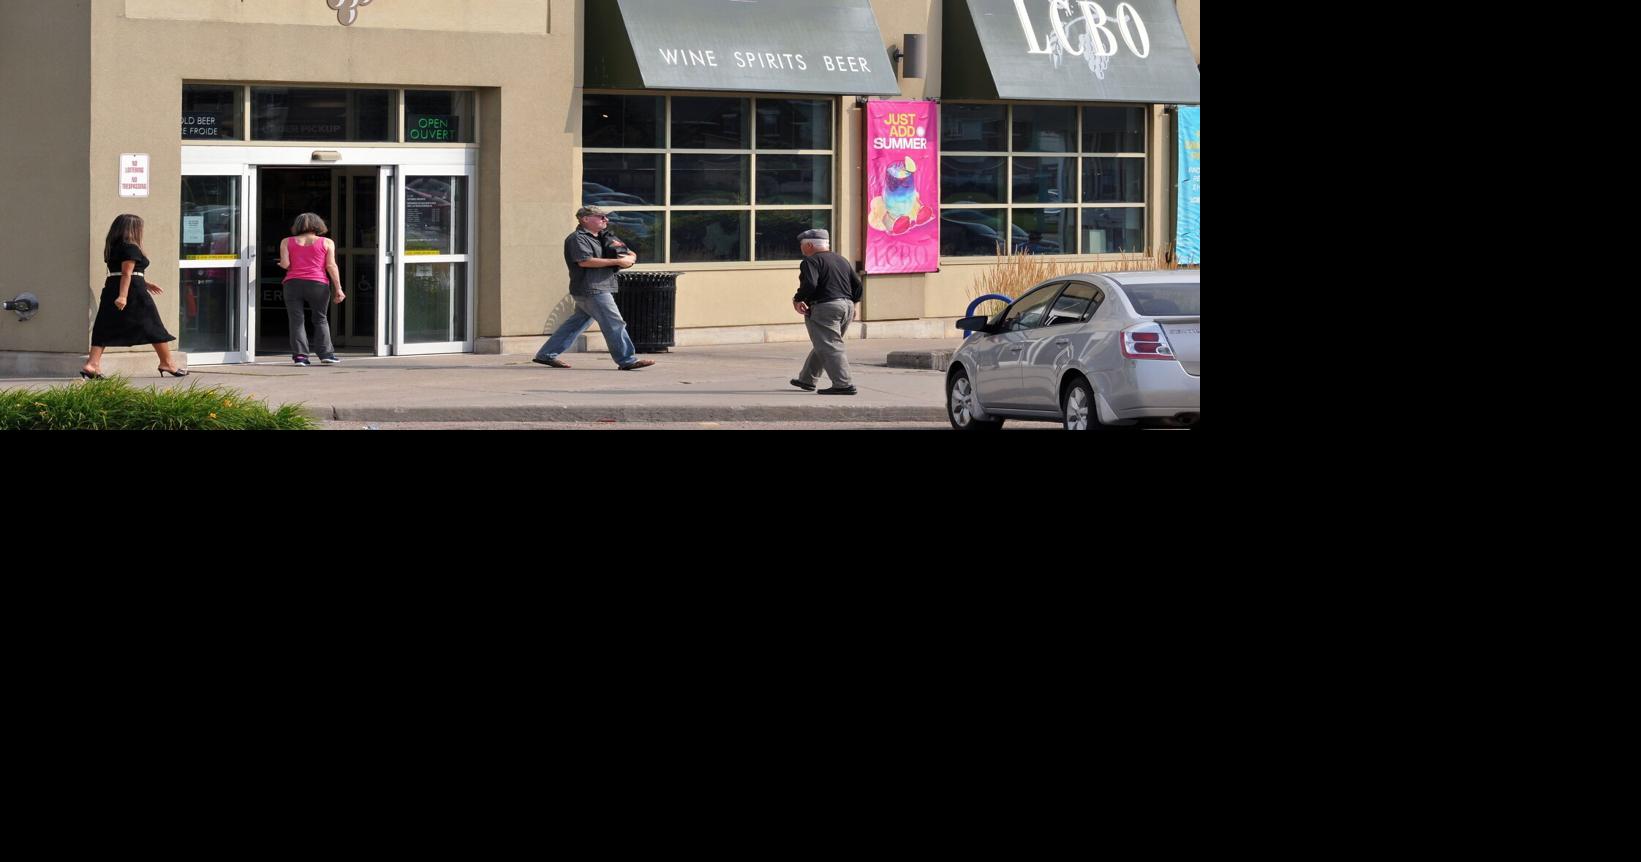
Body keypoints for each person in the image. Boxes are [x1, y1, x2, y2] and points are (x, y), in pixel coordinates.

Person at [532, 205, 655, 371]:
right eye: (601, 217)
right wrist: (618, 261)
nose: (606, 220)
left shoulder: (605, 236)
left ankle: (546, 354)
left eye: (605, 217)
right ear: (585, 219)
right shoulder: (577, 238)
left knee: (575, 325)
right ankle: (627, 360)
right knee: (614, 323)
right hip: (591, 289)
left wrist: (630, 257)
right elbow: (585, 261)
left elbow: (628, 252)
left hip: (601, 286)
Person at [83, 213, 189, 379]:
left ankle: (92, 364)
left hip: (114, 288)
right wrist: (123, 296)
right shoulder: (130, 247)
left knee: (104, 326)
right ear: (133, 229)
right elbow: (126, 273)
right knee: (153, 325)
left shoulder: (114, 246)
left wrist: (146, 283)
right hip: (132, 293)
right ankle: (167, 362)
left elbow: (122, 273)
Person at [789, 228, 863, 395]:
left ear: (809, 245)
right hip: (846, 306)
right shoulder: (841, 259)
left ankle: (844, 384)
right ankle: (807, 380)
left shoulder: (811, 261)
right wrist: (854, 305)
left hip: (825, 307)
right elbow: (857, 285)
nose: (802, 249)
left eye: (802, 245)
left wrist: (797, 299)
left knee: (829, 345)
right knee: (824, 343)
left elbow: (810, 285)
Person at [277, 212, 345, 366]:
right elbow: (331, 266)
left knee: (296, 321)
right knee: (320, 319)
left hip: (292, 284)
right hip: (318, 284)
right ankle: (326, 354)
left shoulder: (286, 241)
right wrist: (339, 288)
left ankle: (300, 357)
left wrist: (281, 264)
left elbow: (286, 265)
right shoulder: (327, 242)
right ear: (318, 225)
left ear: (297, 225)